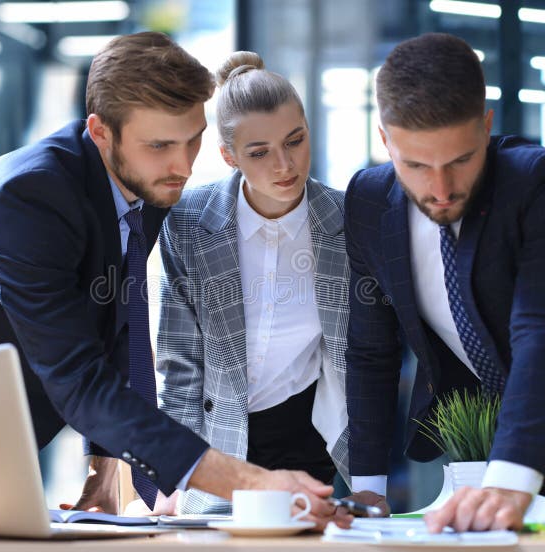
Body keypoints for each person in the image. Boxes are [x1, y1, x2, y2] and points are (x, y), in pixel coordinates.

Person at [0, 32, 339, 529]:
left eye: (193, 140)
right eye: (161, 145)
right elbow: (79, 375)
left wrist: (104, 466)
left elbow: (115, 323)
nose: (183, 165)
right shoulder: (27, 199)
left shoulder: (142, 183)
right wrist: (250, 481)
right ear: (101, 132)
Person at [344, 32, 545, 534]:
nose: (440, 190)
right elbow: (372, 351)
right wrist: (368, 488)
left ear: (485, 127)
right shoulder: (367, 202)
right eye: (416, 165)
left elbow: (543, 328)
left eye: (460, 161)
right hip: (517, 445)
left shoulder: (542, 182)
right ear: (385, 140)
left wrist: (507, 479)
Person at [154, 51, 360, 517]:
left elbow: (365, 356)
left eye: (295, 140)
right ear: (229, 156)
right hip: (218, 449)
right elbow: (180, 366)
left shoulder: (347, 221)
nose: (284, 165)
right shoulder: (187, 223)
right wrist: (174, 474)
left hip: (307, 441)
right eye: (259, 152)